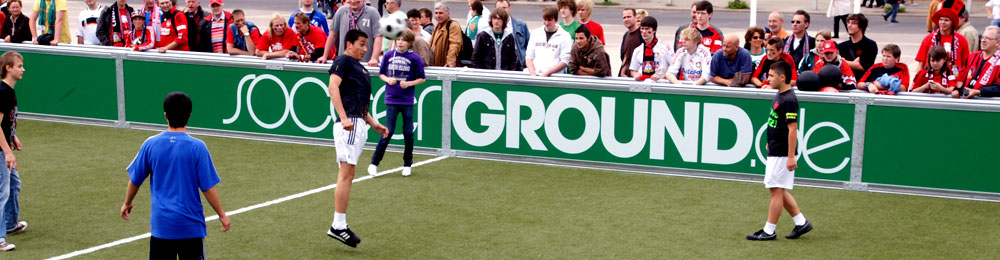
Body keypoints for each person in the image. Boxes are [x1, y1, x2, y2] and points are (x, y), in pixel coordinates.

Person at [121, 92, 231, 259]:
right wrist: (222, 215)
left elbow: (135, 180)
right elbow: (208, 188)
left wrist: (127, 203)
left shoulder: (150, 144)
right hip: (190, 226)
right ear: (190, 115)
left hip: (162, 226)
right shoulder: (198, 147)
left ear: (165, 115)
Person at [325, 29, 389, 248]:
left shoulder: (360, 68)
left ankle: (339, 224)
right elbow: (333, 87)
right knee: (346, 174)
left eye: (366, 45)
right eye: (361, 44)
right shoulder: (343, 61)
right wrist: (343, 118)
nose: (364, 49)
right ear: (349, 43)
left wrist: (374, 124)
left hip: (357, 123)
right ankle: (338, 225)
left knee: (348, 174)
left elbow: (359, 101)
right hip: (349, 124)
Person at [745, 60, 813, 241]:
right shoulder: (780, 95)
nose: (768, 78)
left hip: (782, 153)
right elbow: (778, 124)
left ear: (782, 78)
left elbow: (792, 129)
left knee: (775, 190)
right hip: (777, 149)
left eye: (772, 75)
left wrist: (791, 157)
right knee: (779, 189)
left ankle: (769, 230)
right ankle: (801, 223)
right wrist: (771, 141)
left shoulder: (789, 100)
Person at [369, 30, 424, 177]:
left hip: (407, 101)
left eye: (403, 40)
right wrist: (388, 80)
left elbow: (422, 78)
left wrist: (409, 83)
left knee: (408, 133)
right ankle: (374, 162)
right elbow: (381, 74)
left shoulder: (415, 58)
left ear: (409, 42)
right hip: (391, 99)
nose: (400, 42)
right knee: (388, 131)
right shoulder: (388, 55)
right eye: (398, 39)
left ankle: (407, 164)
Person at [0, 51, 24, 251]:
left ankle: (10, 224)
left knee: (14, 185)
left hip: (5, 143)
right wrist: (7, 151)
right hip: (0, 151)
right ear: (8, 68)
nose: (23, 69)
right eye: (19, 66)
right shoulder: (3, 92)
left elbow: (5, 122)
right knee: (2, 191)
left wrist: (12, 135)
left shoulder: (9, 90)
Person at [319, 0, 382, 66]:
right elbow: (332, 34)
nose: (353, 1)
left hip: (366, 63)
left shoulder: (373, 13)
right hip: (344, 62)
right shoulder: (341, 11)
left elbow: (378, 37)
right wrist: (325, 56)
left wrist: (374, 58)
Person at [916, 0, 969, 71]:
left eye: (946, 20)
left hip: (953, 79)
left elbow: (966, 64)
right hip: (931, 79)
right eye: (941, 19)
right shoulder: (928, 38)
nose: (943, 22)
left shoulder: (961, 40)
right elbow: (921, 64)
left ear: (952, 22)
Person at [954, 26, 1000, 98]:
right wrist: (957, 91)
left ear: (998, 42)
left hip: (986, 103)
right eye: (983, 37)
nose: (983, 40)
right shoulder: (973, 57)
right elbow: (961, 78)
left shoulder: (998, 61)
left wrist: (979, 91)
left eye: (988, 38)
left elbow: (998, 88)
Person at [526, 6, 571, 77]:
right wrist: (533, 74)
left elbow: (565, 61)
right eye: (545, 19)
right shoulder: (536, 33)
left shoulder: (564, 36)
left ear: (555, 20)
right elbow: (529, 57)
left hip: (554, 77)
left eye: (549, 20)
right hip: (536, 74)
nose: (546, 23)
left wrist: (547, 73)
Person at [629, 16, 671, 82]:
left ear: (654, 30)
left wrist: (661, 76)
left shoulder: (664, 47)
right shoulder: (638, 50)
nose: (644, 32)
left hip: (660, 83)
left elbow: (673, 67)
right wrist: (635, 74)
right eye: (642, 29)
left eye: (647, 29)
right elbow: (633, 69)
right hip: (643, 83)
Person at [838, 14, 879, 81]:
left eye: (853, 23)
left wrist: (842, 61)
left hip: (864, 82)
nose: (849, 25)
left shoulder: (870, 45)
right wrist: (853, 63)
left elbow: (863, 66)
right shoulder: (842, 46)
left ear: (861, 26)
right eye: (848, 22)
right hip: (846, 81)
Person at [495, 0, 529, 69]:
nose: (502, 11)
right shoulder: (493, 28)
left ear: (509, 8)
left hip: (519, 65)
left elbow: (529, 46)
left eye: (504, 8)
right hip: (502, 66)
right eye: (499, 9)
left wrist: (526, 64)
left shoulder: (521, 25)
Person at [429, 2, 462, 67]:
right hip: (436, 66)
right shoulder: (437, 26)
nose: (438, 16)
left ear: (448, 14)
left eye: (441, 13)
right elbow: (431, 45)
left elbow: (454, 44)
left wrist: (450, 60)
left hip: (446, 66)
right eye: (436, 13)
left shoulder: (453, 25)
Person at [784, 10, 815, 74]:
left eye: (798, 22)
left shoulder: (812, 42)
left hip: (803, 75)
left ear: (806, 24)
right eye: (793, 22)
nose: (794, 24)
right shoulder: (785, 41)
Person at [619, 8, 641, 77]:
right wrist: (622, 73)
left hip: (638, 76)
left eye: (629, 17)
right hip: (625, 76)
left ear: (635, 17)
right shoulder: (626, 35)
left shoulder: (642, 34)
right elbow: (625, 57)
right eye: (624, 18)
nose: (626, 19)